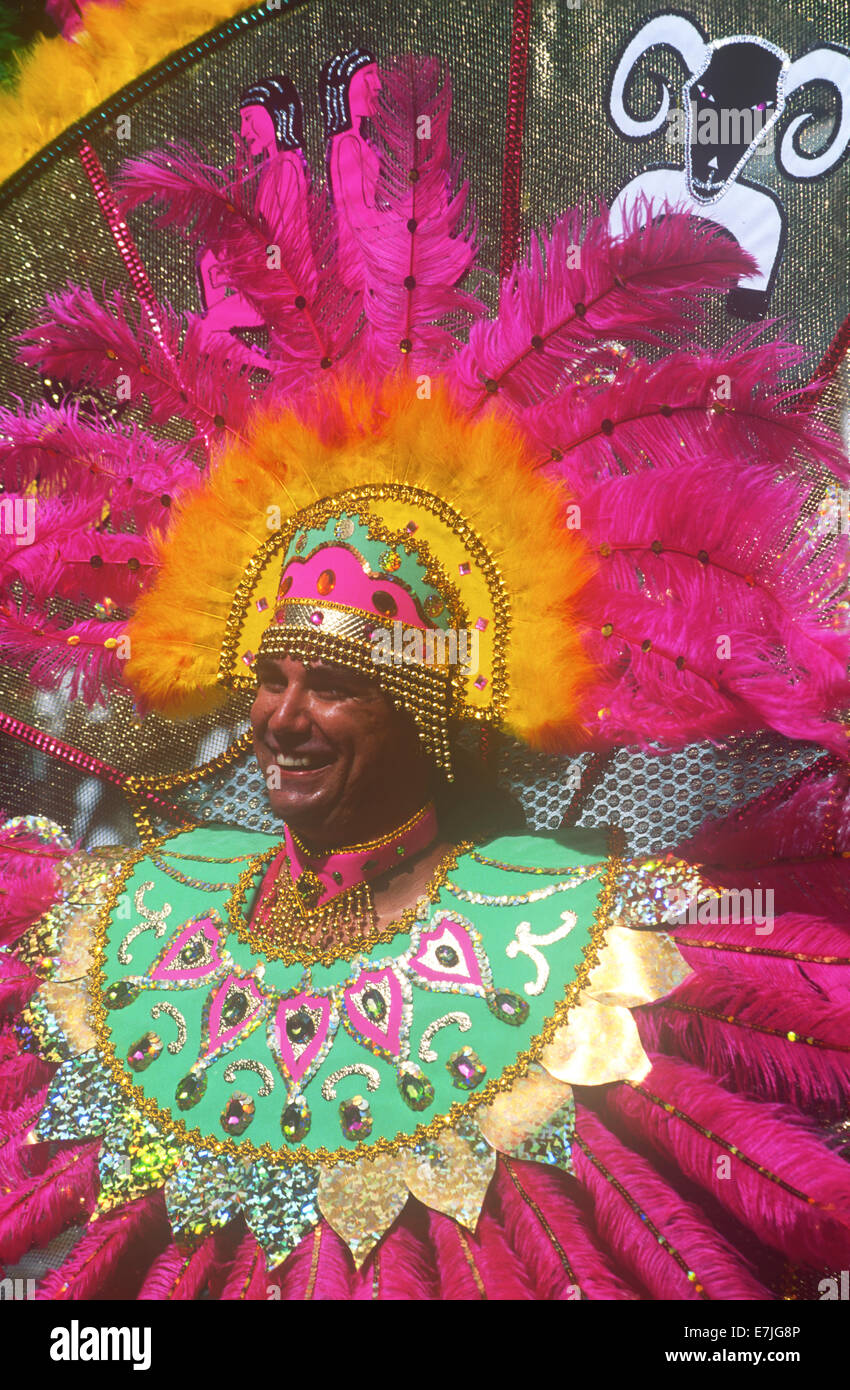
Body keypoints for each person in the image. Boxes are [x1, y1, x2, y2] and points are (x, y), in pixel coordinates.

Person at [1, 54, 849, 1301]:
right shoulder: (118, 919)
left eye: (332, 683)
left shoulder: (587, 943)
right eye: (270, 675)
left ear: (430, 715)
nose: (281, 717)